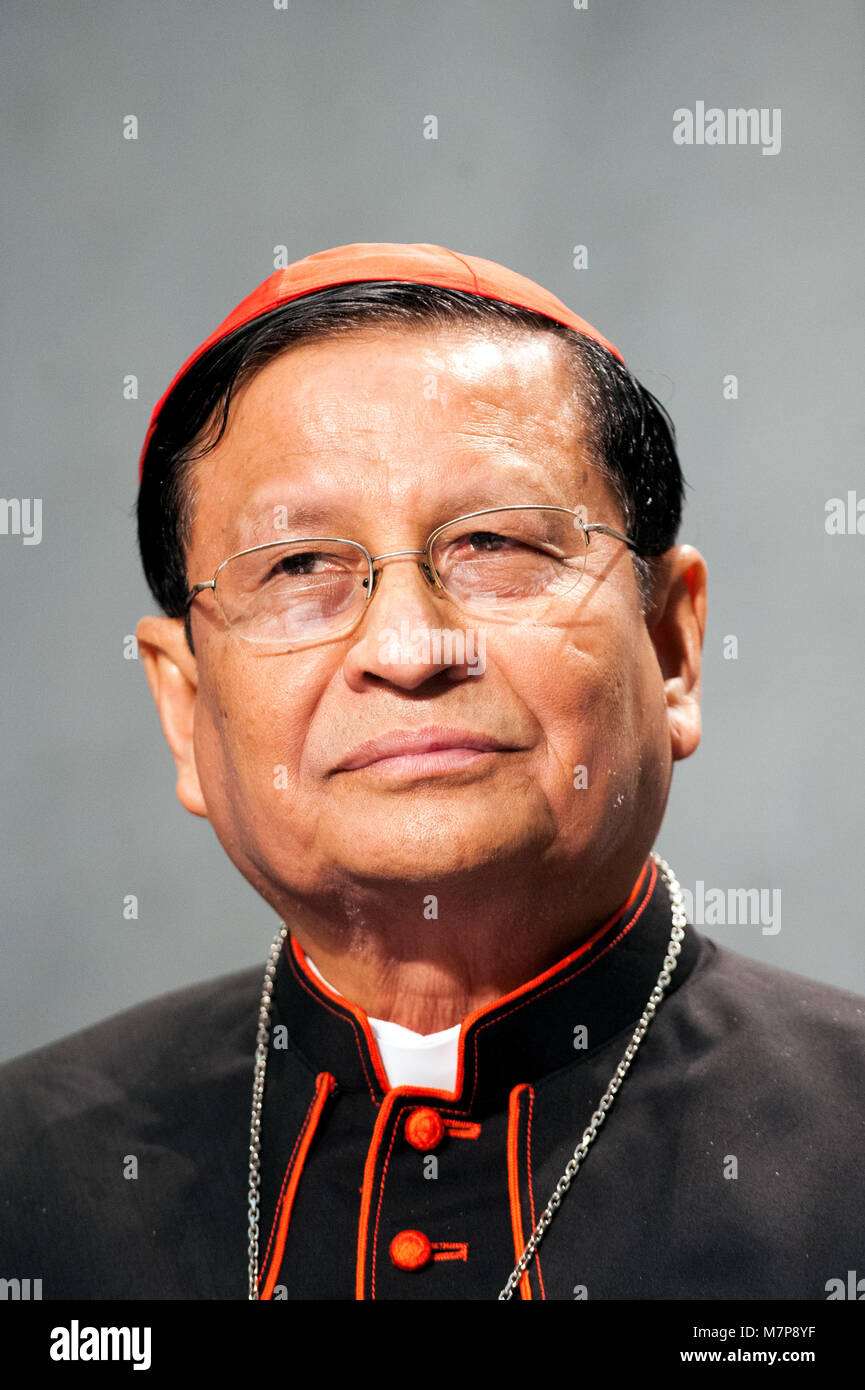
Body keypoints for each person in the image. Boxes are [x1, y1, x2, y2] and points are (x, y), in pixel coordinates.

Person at [1, 242, 863, 1302]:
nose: (410, 648)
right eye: (300, 565)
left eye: (496, 544)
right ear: (185, 709)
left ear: (673, 648)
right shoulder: (28, 1175)